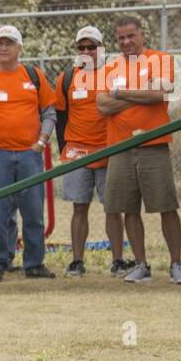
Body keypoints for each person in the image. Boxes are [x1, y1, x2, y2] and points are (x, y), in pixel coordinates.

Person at [96, 17, 181, 284]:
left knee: (166, 206)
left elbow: (160, 93)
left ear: (142, 35)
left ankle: (176, 264)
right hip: (120, 146)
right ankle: (141, 264)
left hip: (153, 144)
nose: (126, 42)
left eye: (131, 36)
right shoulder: (109, 66)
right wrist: (140, 93)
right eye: (121, 38)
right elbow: (102, 105)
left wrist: (120, 93)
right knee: (128, 208)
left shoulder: (160, 60)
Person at [0, 25, 56, 281]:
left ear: (19, 48)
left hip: (30, 155)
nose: (4, 48)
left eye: (9, 43)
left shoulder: (33, 75)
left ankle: (34, 263)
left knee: (33, 211)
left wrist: (40, 143)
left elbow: (49, 112)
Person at [54, 27, 125, 277]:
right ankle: (76, 260)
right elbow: (61, 115)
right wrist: (64, 147)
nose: (86, 52)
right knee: (79, 207)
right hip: (77, 150)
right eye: (81, 47)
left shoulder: (114, 73)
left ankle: (118, 259)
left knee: (113, 208)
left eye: (91, 47)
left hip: (109, 148)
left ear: (102, 48)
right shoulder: (66, 77)